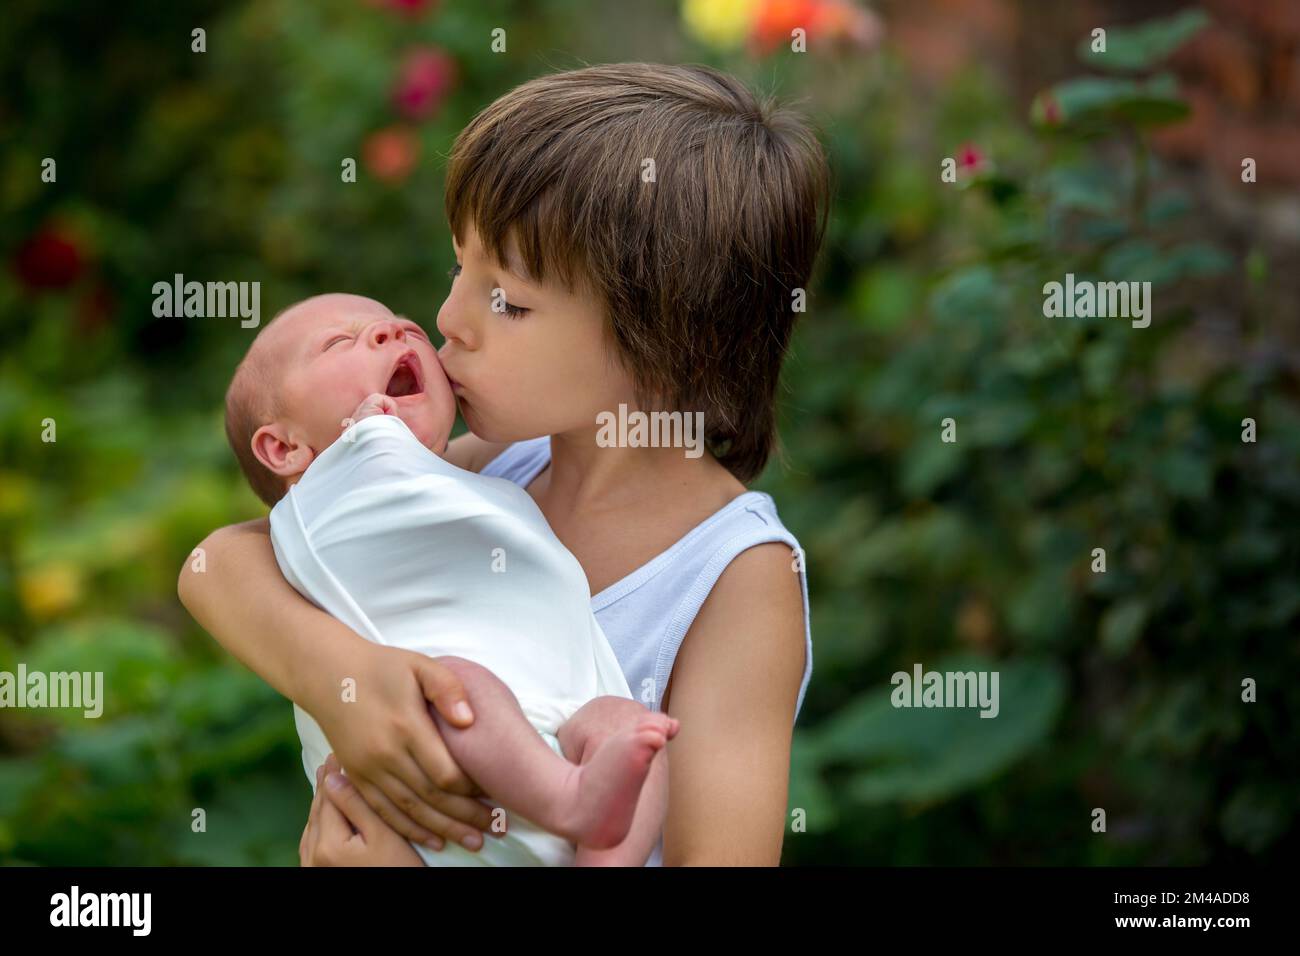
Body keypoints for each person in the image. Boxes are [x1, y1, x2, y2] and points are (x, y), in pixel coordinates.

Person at [179, 61, 829, 866]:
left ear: (666, 340)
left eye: (508, 302)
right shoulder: (499, 464)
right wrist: (342, 681)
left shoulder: (736, 580)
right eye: (460, 268)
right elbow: (218, 563)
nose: (446, 319)